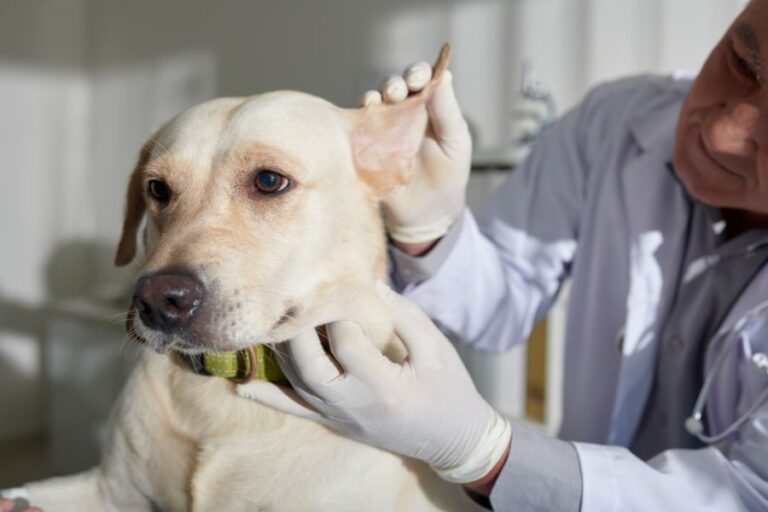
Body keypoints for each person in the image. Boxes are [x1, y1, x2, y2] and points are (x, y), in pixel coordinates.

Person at [240, 1, 768, 510]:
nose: (722, 134)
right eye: (742, 62)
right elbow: (500, 306)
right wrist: (428, 231)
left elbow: (749, 496)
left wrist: (488, 455)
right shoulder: (615, 121)